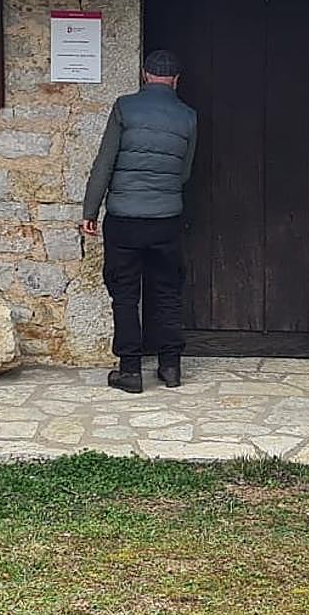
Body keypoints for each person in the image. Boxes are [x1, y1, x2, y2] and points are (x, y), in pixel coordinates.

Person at [79, 49, 198, 394]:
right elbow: (184, 171)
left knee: (125, 294)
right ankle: (171, 366)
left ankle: (130, 370)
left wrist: (90, 211)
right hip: (166, 219)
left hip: (124, 219)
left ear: (145, 75)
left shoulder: (124, 107)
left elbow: (104, 164)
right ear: (176, 80)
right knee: (167, 292)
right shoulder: (188, 116)